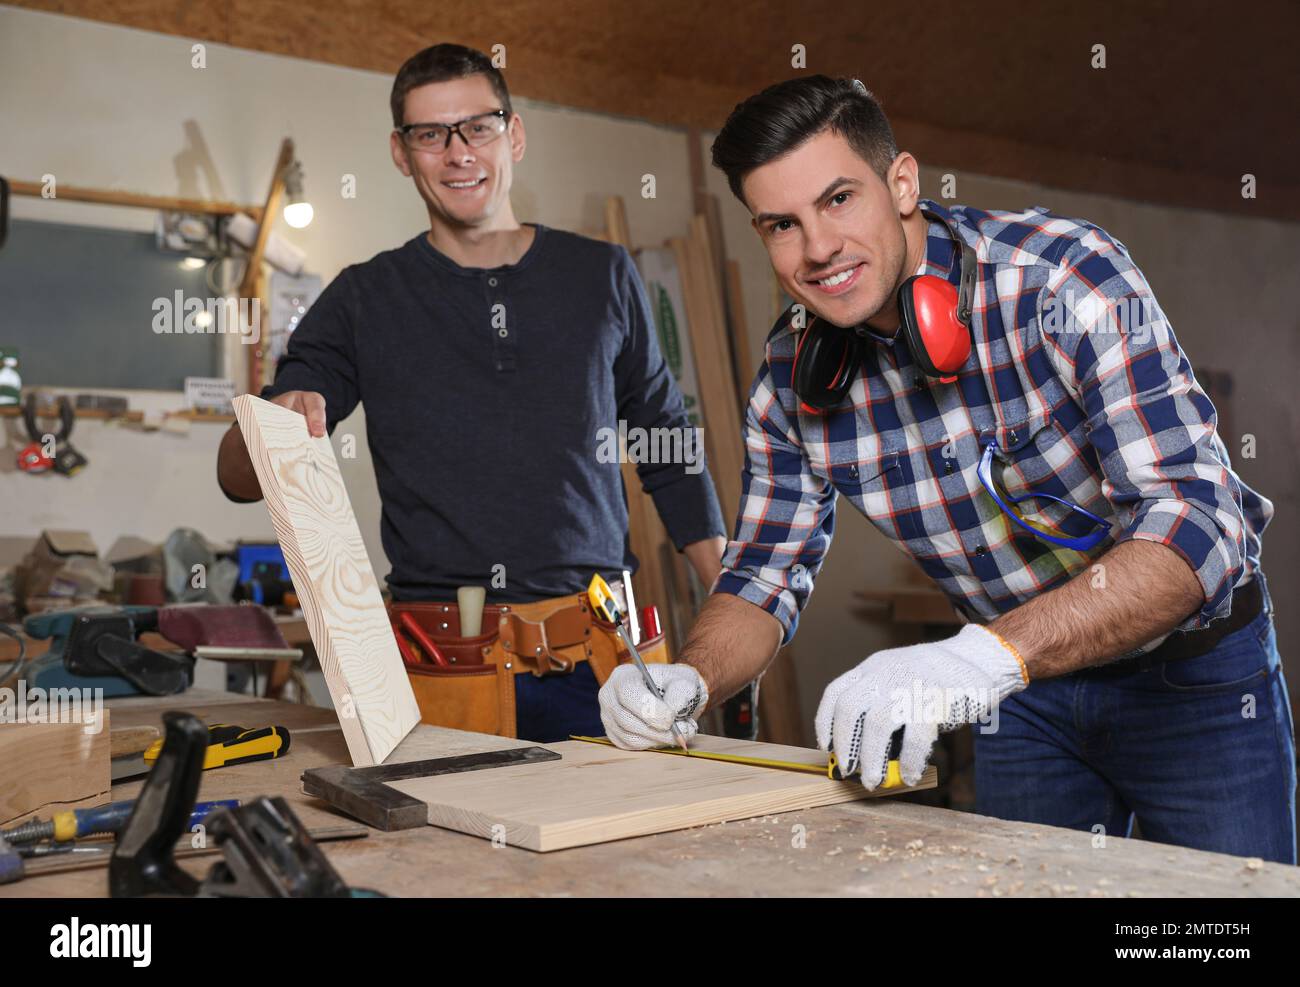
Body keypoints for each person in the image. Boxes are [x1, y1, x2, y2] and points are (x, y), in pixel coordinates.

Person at [597, 75, 1294, 863]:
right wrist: (688, 680)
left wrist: (976, 658)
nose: (817, 249)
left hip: (1192, 678)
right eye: (781, 224)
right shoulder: (789, 382)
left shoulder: (1062, 278)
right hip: (1023, 698)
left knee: (1224, 929)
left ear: (902, 183)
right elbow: (759, 574)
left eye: (837, 201)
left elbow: (1196, 523)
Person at [218, 44, 726, 742]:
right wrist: (273, 423)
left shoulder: (601, 274)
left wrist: (730, 607)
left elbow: (667, 441)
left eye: (477, 127)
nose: (458, 152)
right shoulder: (364, 297)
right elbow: (240, 478)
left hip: (612, 662)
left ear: (513, 134)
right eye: (430, 134)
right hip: (443, 672)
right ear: (402, 153)